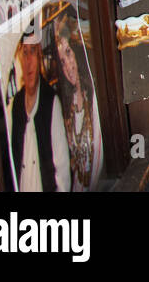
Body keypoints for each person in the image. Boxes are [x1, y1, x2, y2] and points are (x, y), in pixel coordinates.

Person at [8, 27, 70, 192]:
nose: (28, 61)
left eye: (33, 52)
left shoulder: (50, 102)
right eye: (25, 52)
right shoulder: (17, 104)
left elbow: (62, 164)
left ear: (39, 55)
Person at [52, 12, 103, 190]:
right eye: (62, 61)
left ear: (77, 51)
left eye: (68, 53)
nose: (68, 66)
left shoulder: (96, 95)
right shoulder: (68, 106)